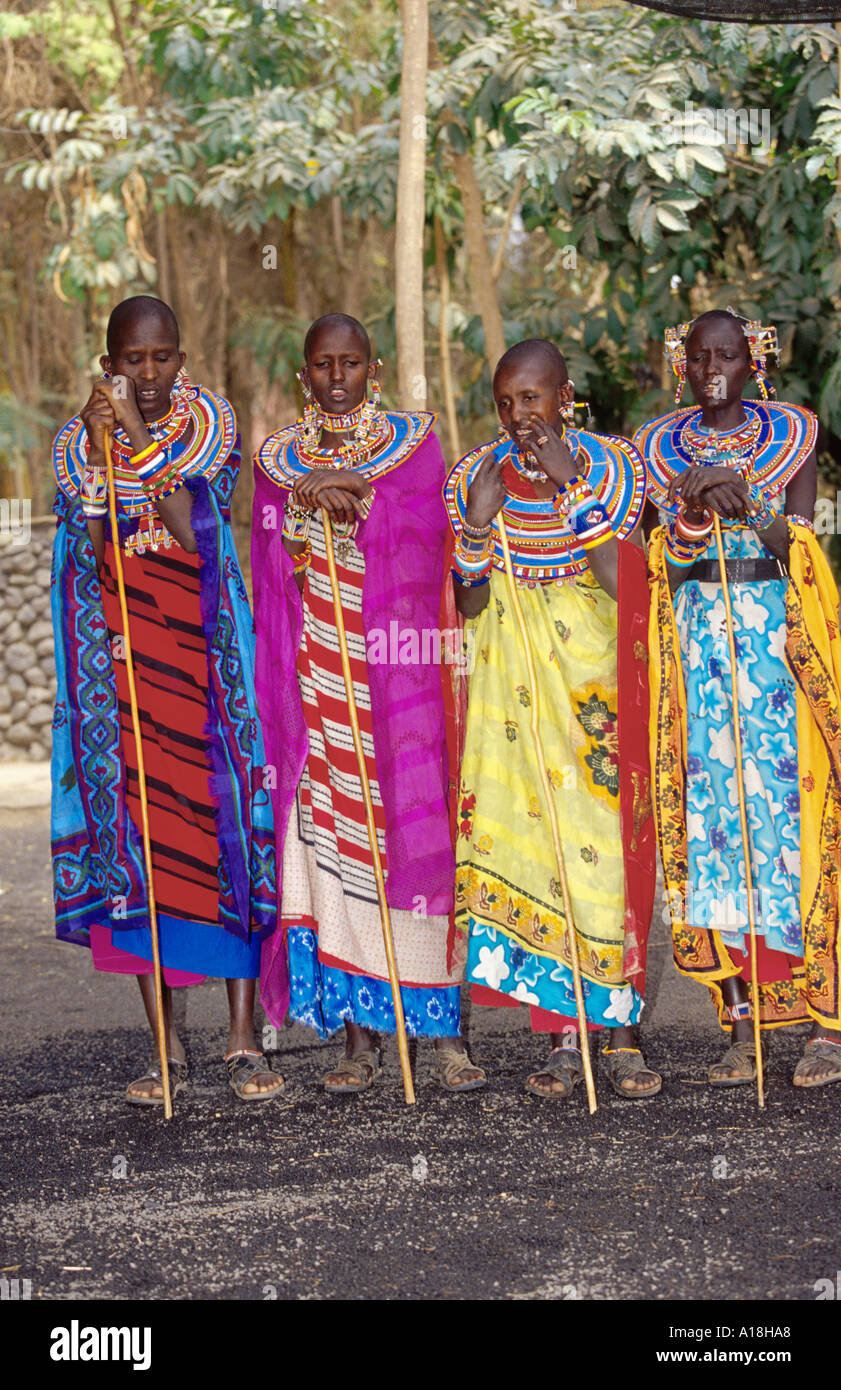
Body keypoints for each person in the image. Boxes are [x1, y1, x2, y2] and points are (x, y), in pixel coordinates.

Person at [50, 295, 282, 1105]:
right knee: (139, 851)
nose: (146, 374)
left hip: (205, 674)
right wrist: (101, 442)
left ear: (182, 360)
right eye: (131, 360)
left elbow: (193, 531)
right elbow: (80, 562)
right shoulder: (80, 449)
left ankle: (245, 1043)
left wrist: (136, 440)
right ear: (108, 361)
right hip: (123, 678)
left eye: (161, 358)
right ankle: (163, 1049)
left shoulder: (210, 431)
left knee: (225, 841)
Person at [252, 313, 484, 1094]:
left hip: (400, 675)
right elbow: (265, 555)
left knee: (415, 834)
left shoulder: (413, 444)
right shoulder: (279, 460)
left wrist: (361, 498)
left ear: (373, 367)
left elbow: (433, 536)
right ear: (303, 376)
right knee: (332, 843)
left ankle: (442, 1036)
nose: (337, 378)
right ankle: (358, 1040)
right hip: (318, 677)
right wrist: (299, 517)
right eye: (322, 366)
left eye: (350, 363)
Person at [445, 338, 659, 1101]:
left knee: (604, 849)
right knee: (537, 848)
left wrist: (571, 487)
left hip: (592, 692)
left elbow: (623, 582)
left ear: (562, 397)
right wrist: (476, 524)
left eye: (531, 399)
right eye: (504, 402)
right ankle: (565, 1038)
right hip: (515, 696)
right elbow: (467, 603)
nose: (517, 416)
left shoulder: (611, 465)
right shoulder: (477, 476)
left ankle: (624, 1035)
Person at [636, 307, 841, 1087]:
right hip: (698, 652)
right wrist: (690, 503)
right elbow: (659, 556)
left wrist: (743, 501)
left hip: (772, 647)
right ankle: (742, 1019)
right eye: (699, 355)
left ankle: (825, 1025)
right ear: (680, 364)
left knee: (791, 814)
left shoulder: (792, 434)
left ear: (753, 359)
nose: (712, 366)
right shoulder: (656, 448)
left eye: (727, 353)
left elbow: (799, 540)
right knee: (719, 821)